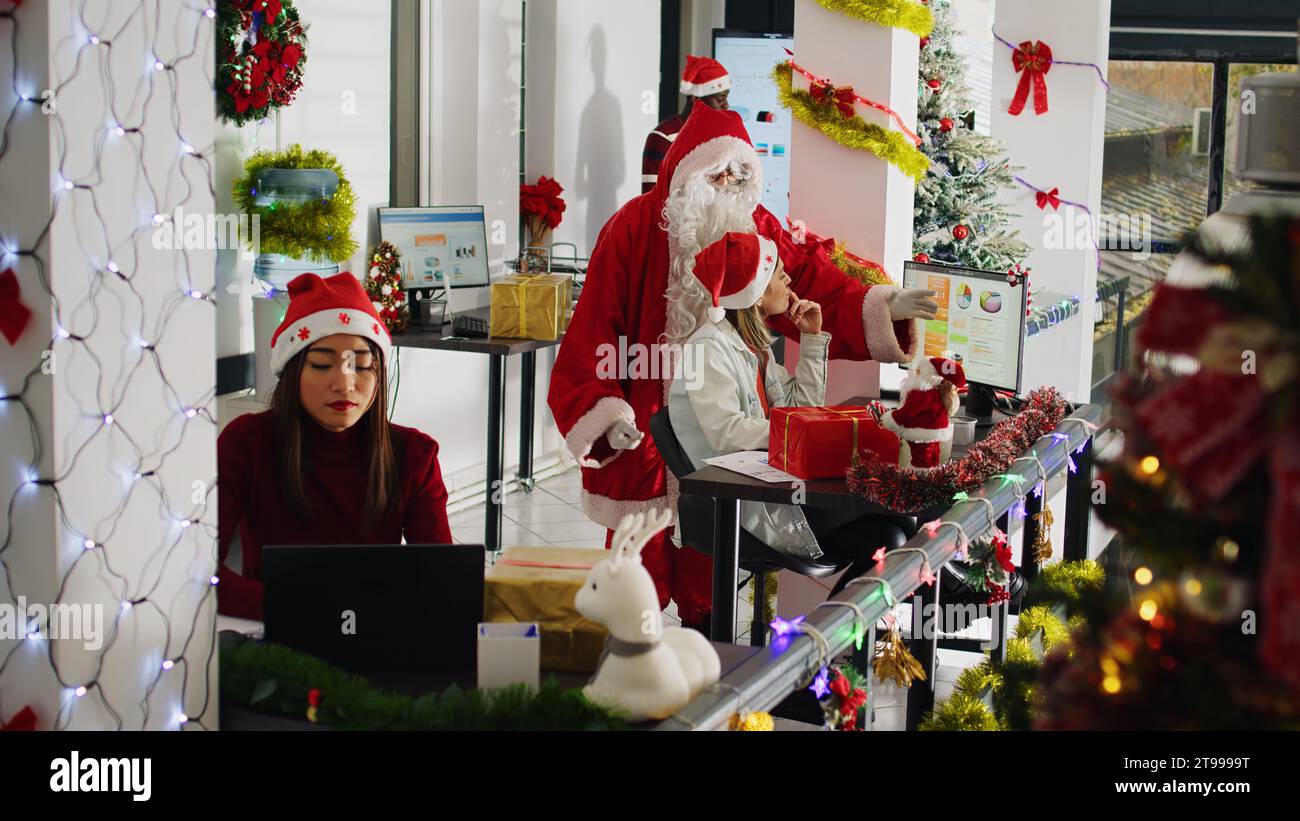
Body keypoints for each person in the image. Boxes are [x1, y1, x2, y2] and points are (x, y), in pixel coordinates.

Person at [548, 100, 938, 631]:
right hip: (644, 434)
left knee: (712, 578)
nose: (729, 182)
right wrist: (606, 413)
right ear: (687, 170)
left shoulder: (755, 230)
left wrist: (881, 307)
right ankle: (633, 675)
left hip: (732, 443)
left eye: (741, 172)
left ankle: (715, 663)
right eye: (718, 171)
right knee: (636, 580)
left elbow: (810, 280)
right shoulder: (632, 229)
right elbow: (593, 329)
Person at [216, 272, 452, 620]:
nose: (344, 383)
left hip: (377, 637)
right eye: (323, 364)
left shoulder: (415, 454)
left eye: (360, 364)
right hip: (274, 638)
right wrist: (298, 612)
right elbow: (194, 573)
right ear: (293, 371)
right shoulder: (245, 442)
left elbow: (441, 579)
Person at [668, 232, 903, 565]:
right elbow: (727, 433)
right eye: (779, 274)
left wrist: (811, 338)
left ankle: (838, 619)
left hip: (775, 488)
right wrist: (801, 433)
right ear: (759, 292)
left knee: (891, 535)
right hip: (740, 504)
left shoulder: (754, 347)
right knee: (891, 514)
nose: (789, 280)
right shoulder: (706, 348)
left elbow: (800, 410)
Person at [641, 55, 732, 195]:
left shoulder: (719, 137)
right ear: (695, 98)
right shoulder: (662, 138)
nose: (726, 105)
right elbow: (651, 199)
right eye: (720, 99)